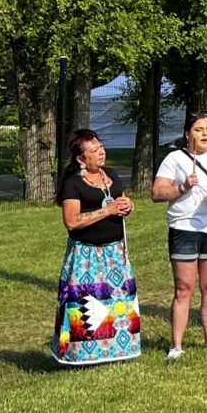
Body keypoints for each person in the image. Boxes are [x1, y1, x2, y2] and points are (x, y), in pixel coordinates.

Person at [152, 113, 207, 360]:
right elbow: (157, 193)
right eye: (199, 129)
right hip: (184, 227)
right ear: (188, 133)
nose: (204, 134)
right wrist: (182, 187)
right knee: (184, 288)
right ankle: (177, 346)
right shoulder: (175, 159)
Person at [51, 129, 140, 365]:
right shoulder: (73, 183)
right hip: (87, 255)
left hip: (115, 253)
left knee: (117, 302)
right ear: (81, 158)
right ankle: (82, 354)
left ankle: (117, 351)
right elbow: (71, 221)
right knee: (88, 305)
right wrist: (106, 211)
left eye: (100, 146)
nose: (100, 152)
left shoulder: (109, 174)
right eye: (93, 150)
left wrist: (127, 205)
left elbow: (120, 199)